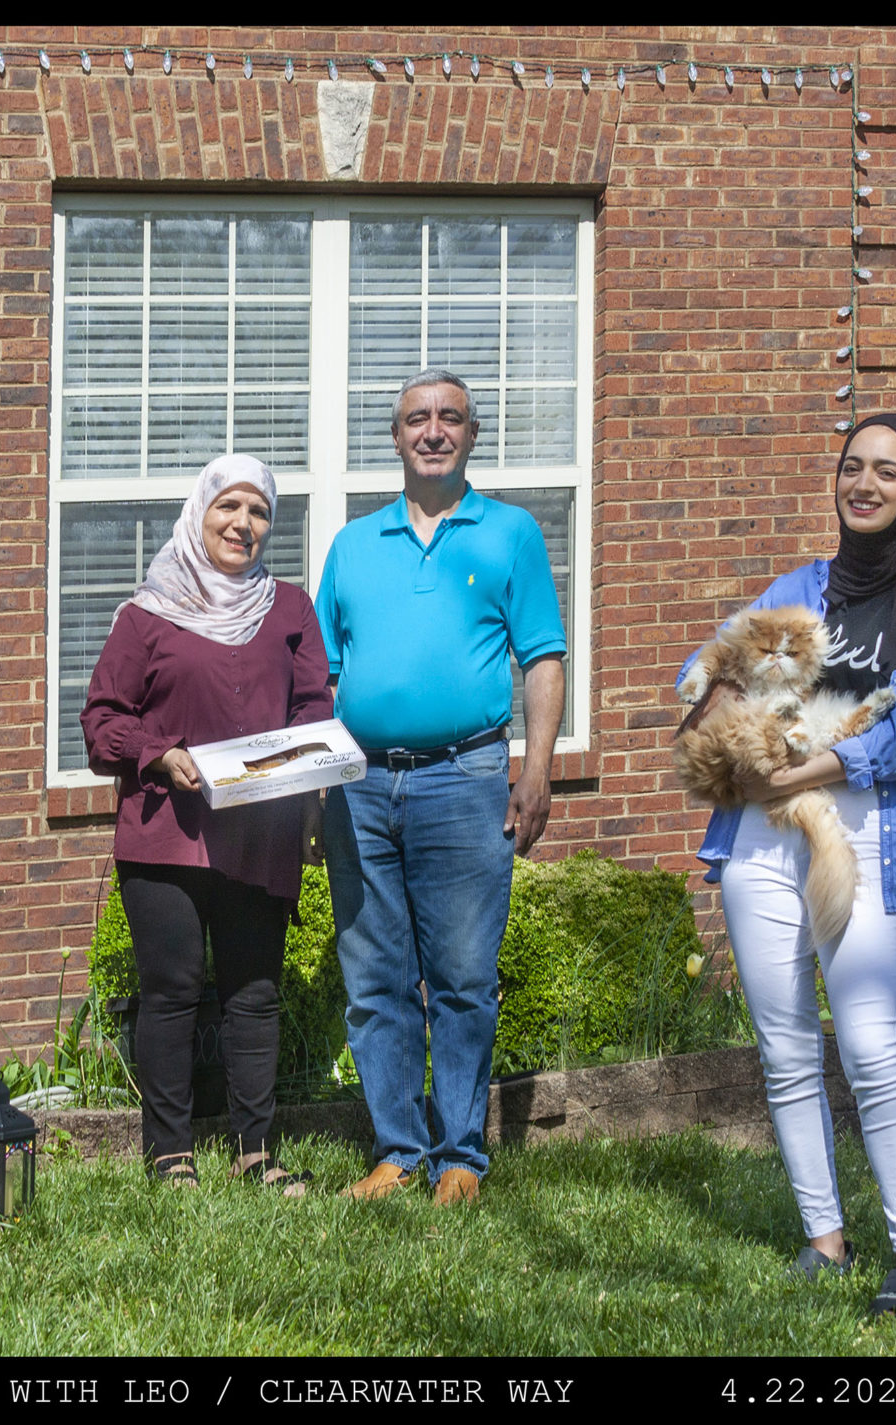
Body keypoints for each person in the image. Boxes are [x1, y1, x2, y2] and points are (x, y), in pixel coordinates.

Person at [677, 413, 896, 1319]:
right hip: (759, 844)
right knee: (787, 1048)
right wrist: (715, 697)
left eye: (887, 471)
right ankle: (825, 1239)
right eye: (854, 467)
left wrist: (790, 764)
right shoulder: (799, 585)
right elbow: (706, 671)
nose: (867, 484)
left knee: (871, 1040)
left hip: (862, 832)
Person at [315, 369, 567, 1207]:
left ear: (471, 433)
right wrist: (313, 784)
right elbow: (323, 676)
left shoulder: (511, 533)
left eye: (449, 418)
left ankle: (461, 1154)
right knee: (374, 976)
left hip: (466, 778)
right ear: (395, 437)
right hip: (358, 784)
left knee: (461, 976)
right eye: (417, 418)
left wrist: (536, 770)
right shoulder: (353, 545)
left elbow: (542, 656)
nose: (433, 431)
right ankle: (397, 1151)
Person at [82, 455, 333, 1193]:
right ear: (200, 513)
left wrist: (308, 779)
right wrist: (159, 754)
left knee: (254, 992)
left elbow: (313, 708)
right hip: (167, 832)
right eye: (229, 507)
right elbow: (101, 723)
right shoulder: (146, 614)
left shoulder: (289, 610)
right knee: (174, 989)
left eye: (258, 512)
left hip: (261, 831)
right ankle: (170, 1153)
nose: (243, 525)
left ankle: (258, 1152)